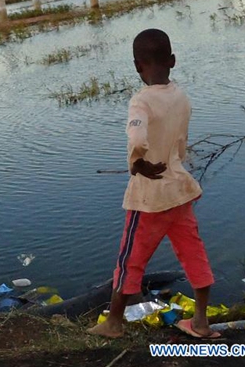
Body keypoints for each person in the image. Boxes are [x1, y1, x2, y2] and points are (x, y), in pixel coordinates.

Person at [88, 28, 217, 339]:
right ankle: (200, 322)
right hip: (180, 190)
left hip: (150, 198)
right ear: (172, 60)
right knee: (193, 253)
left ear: (137, 66)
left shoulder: (141, 101)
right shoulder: (181, 96)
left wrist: (138, 162)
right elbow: (181, 146)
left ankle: (114, 323)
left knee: (130, 260)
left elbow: (136, 137)